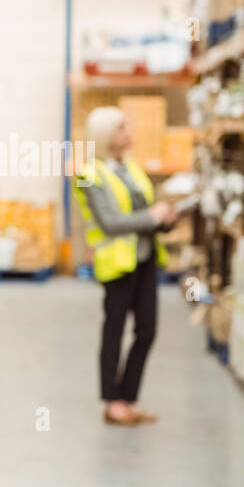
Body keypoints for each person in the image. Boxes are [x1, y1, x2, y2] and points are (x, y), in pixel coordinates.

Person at [73, 106, 175, 427]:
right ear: (106, 136)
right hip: (116, 264)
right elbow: (110, 222)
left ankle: (129, 398)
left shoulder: (131, 169)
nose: (130, 132)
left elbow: (144, 211)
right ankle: (112, 400)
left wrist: (166, 220)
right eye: (122, 128)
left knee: (147, 330)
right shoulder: (89, 175)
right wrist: (152, 217)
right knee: (114, 331)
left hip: (145, 259)